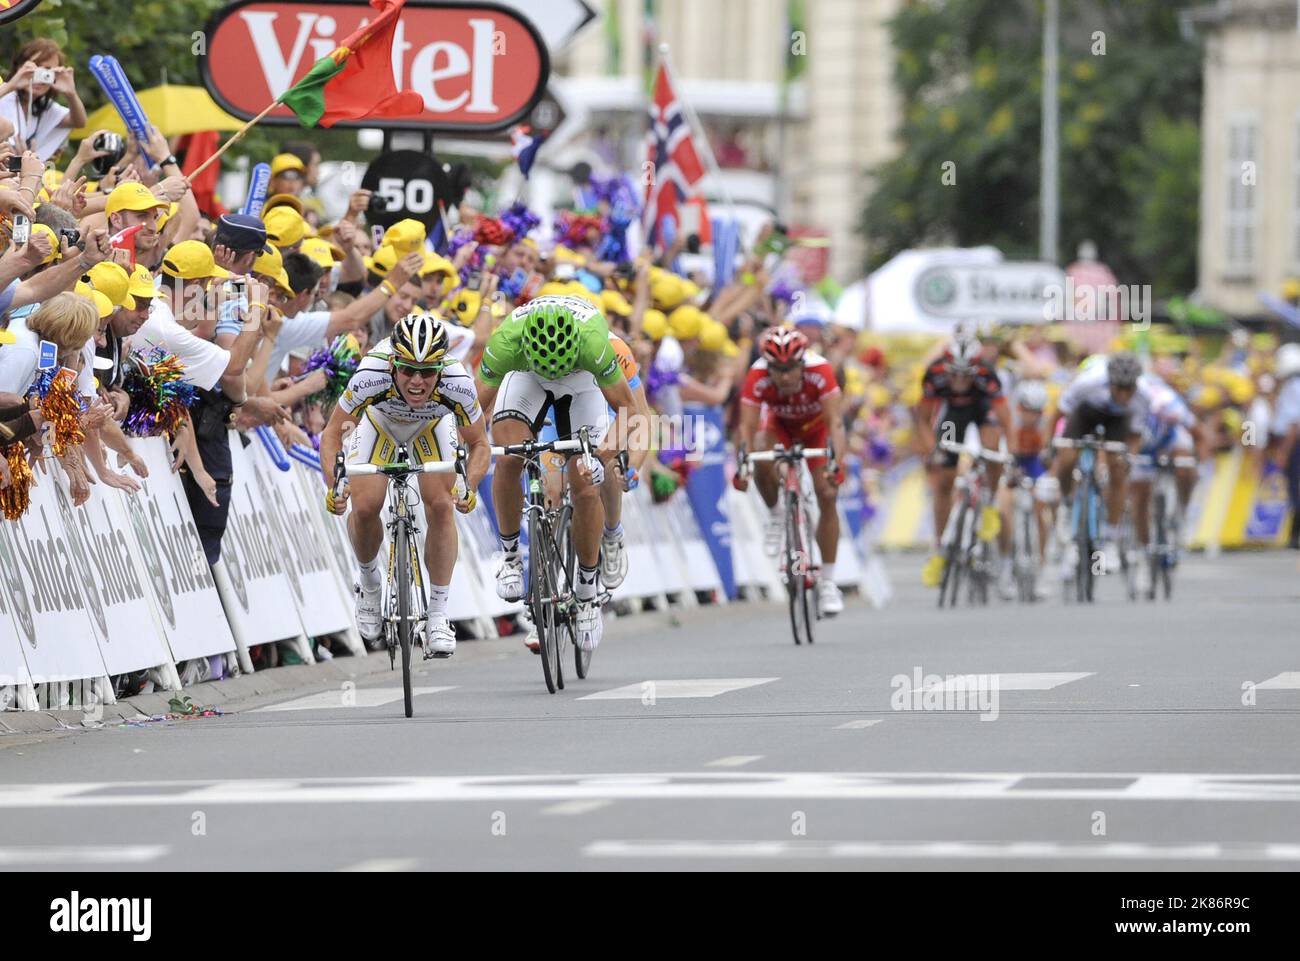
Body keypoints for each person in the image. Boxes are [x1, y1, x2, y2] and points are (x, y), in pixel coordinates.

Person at [320, 313, 491, 658]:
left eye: (427, 372)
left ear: (440, 369)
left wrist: (469, 486)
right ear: (392, 364)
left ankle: (438, 615)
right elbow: (332, 435)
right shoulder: (371, 373)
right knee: (365, 506)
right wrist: (335, 484)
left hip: (432, 426)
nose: (416, 381)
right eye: (408, 370)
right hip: (380, 424)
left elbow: (480, 445)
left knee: (441, 504)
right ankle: (370, 584)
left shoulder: (457, 381)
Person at [476, 296, 639, 652]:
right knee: (509, 455)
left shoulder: (595, 343)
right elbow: (471, 412)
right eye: (548, 366)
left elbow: (630, 411)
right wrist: (469, 453)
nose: (554, 371)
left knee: (585, 484)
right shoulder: (506, 342)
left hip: (582, 384)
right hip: (526, 378)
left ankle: (586, 593)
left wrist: (601, 456)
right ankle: (510, 558)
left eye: (558, 366)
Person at [733, 326, 847, 616]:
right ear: (767, 365)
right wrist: (743, 464)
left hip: (817, 430)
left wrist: (835, 463)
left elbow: (835, 422)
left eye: (791, 369)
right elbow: (746, 426)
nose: (784, 377)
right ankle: (776, 514)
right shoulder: (757, 374)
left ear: (802, 363)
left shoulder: (821, 369)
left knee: (827, 494)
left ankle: (828, 583)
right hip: (779, 427)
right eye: (778, 370)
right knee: (760, 452)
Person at [913, 335, 1010, 587]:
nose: (959, 381)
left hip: (982, 410)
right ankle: (941, 546)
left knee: (992, 449)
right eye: (954, 374)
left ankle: (989, 504)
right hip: (952, 417)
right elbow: (922, 418)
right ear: (945, 368)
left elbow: (1005, 419)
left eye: (966, 375)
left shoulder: (987, 375)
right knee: (944, 481)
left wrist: (1011, 453)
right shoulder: (934, 374)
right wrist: (932, 450)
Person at [1052, 351, 1148, 570]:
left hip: (1118, 420)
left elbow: (1135, 436)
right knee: (1066, 459)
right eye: (1119, 388)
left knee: (1118, 469)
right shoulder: (1087, 384)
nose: (1123, 394)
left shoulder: (1143, 396)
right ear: (1109, 381)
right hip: (1084, 414)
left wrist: (1128, 459)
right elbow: (1058, 414)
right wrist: (1049, 446)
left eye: (1129, 389)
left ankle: (1111, 538)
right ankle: (1066, 505)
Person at [0, 39, 89, 160]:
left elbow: (79, 122)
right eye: (35, 67)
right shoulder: (5, 92)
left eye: (47, 70)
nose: (39, 75)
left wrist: (71, 93)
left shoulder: (43, 107)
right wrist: (12, 84)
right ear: (19, 67)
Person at [1270, 343, 1300, 549]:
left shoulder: (1292, 388)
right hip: (1293, 442)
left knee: (1295, 488)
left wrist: (1283, 452)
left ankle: (1294, 535)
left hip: (1294, 444)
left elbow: (1294, 425)